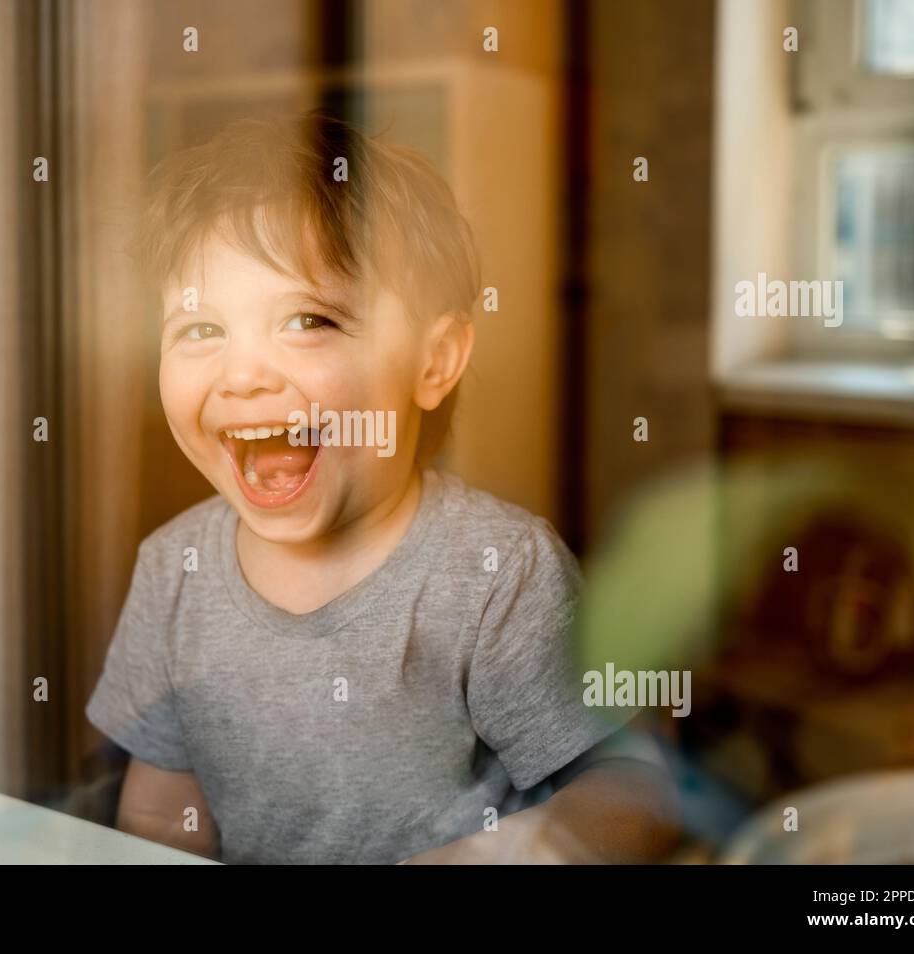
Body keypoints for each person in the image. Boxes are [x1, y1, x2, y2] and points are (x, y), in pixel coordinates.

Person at [85, 110, 678, 864]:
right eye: (200, 330)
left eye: (309, 320)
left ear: (433, 363)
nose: (242, 375)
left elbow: (636, 794)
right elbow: (162, 816)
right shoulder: (175, 570)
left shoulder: (496, 573)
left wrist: (503, 855)